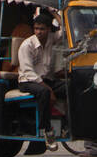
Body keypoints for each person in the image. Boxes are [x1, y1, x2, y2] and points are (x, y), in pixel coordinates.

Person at [16, 11, 62, 139]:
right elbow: (28, 72)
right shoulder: (27, 45)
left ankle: (67, 122)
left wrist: (54, 14)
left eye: (42, 29)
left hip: (46, 80)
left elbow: (65, 30)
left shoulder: (52, 38)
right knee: (44, 92)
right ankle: (45, 129)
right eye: (36, 29)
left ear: (48, 29)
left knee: (68, 86)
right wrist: (49, 89)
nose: (38, 32)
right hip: (27, 82)